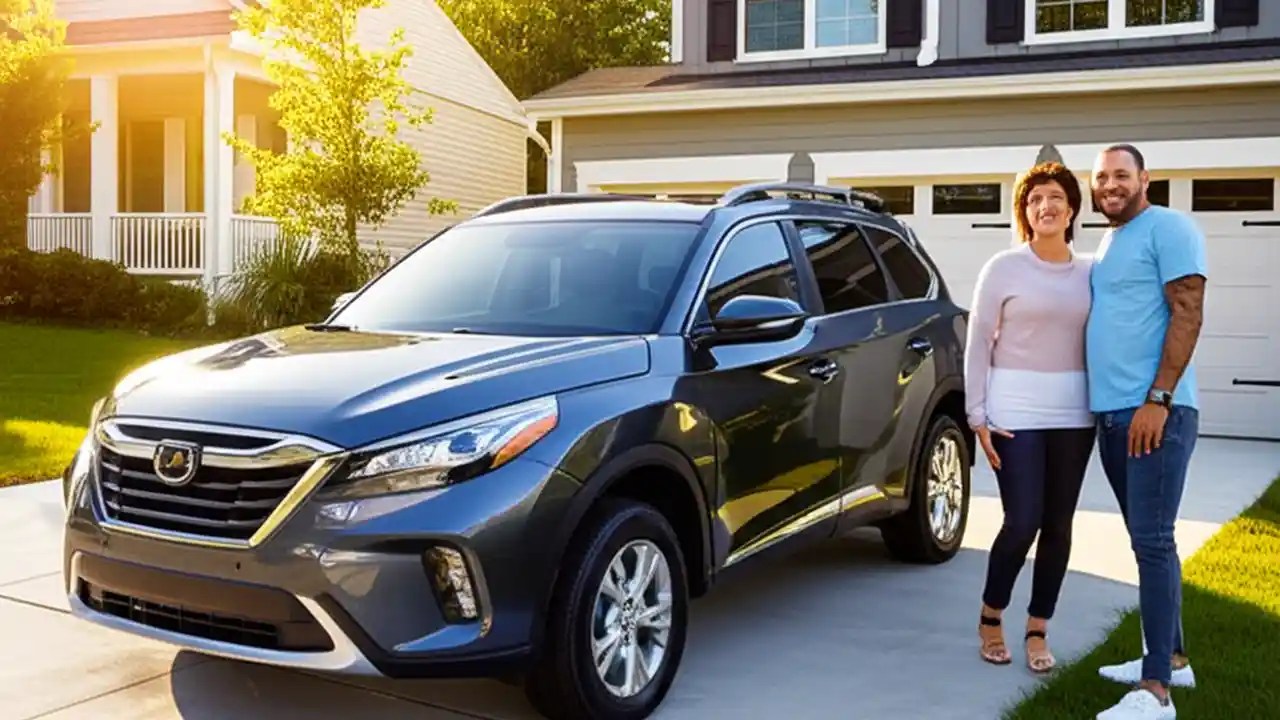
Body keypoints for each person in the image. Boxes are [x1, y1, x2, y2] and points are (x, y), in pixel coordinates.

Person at [1088, 144, 1207, 720]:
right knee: (1148, 538)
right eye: (1102, 177)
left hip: (1155, 411)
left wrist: (1158, 397)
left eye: (1121, 175)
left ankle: (1155, 690)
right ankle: (1173, 660)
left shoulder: (1169, 228)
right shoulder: (1110, 241)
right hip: (1113, 415)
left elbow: (1188, 309)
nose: (1110, 185)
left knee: (1152, 541)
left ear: (1145, 180)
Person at [966, 161, 1097, 675]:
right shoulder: (1003, 267)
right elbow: (978, 342)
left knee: (1058, 525)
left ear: (1071, 210)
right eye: (1035, 198)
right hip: (1013, 409)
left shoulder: (1091, 270)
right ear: (1024, 211)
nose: (1046, 205)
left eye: (1056, 197)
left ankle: (1038, 625)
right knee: (1023, 520)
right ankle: (990, 615)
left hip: (1074, 411)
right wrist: (976, 413)